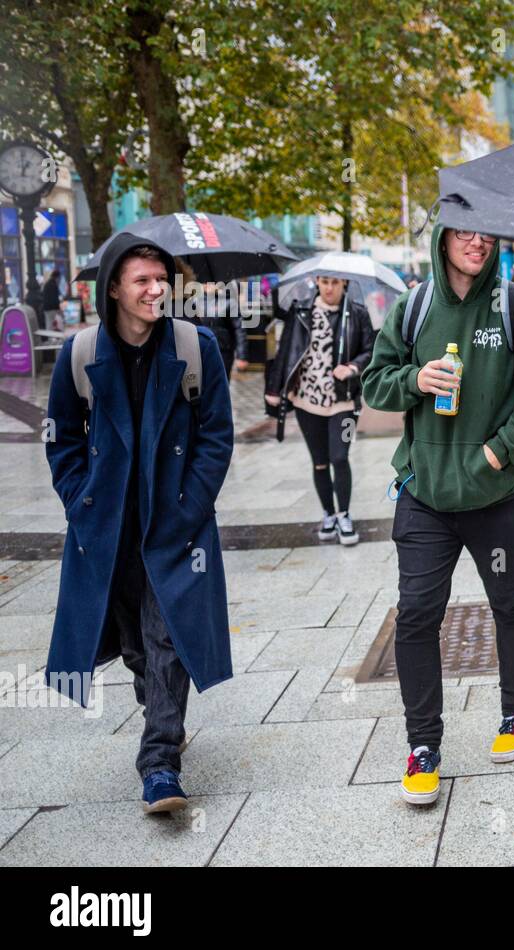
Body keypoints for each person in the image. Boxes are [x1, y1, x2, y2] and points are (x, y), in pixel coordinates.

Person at [361, 220, 514, 806]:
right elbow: (376, 385)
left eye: (487, 233)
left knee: (510, 603)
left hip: (496, 495)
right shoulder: (413, 307)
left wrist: (498, 453)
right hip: (425, 494)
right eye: (463, 233)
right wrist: (414, 379)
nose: (478, 242)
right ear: (441, 239)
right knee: (418, 615)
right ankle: (423, 745)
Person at [44, 239, 234, 813]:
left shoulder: (194, 346)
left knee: (167, 637)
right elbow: (61, 439)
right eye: (143, 281)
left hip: (174, 527)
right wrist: (81, 502)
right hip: (108, 532)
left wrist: (188, 507)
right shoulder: (79, 354)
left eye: (161, 279)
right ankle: (165, 723)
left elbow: (216, 436)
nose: (156, 290)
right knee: (135, 646)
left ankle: (159, 765)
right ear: (114, 290)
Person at [264, 274, 376, 545]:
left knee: (340, 457)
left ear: (344, 284)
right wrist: (274, 387)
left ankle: (345, 515)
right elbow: (286, 350)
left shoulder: (357, 313)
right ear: (318, 282)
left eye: (335, 282)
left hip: (344, 401)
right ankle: (329, 514)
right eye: (324, 281)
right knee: (320, 461)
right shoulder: (301, 311)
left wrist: (352, 367)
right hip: (307, 400)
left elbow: (371, 350)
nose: (329, 287)